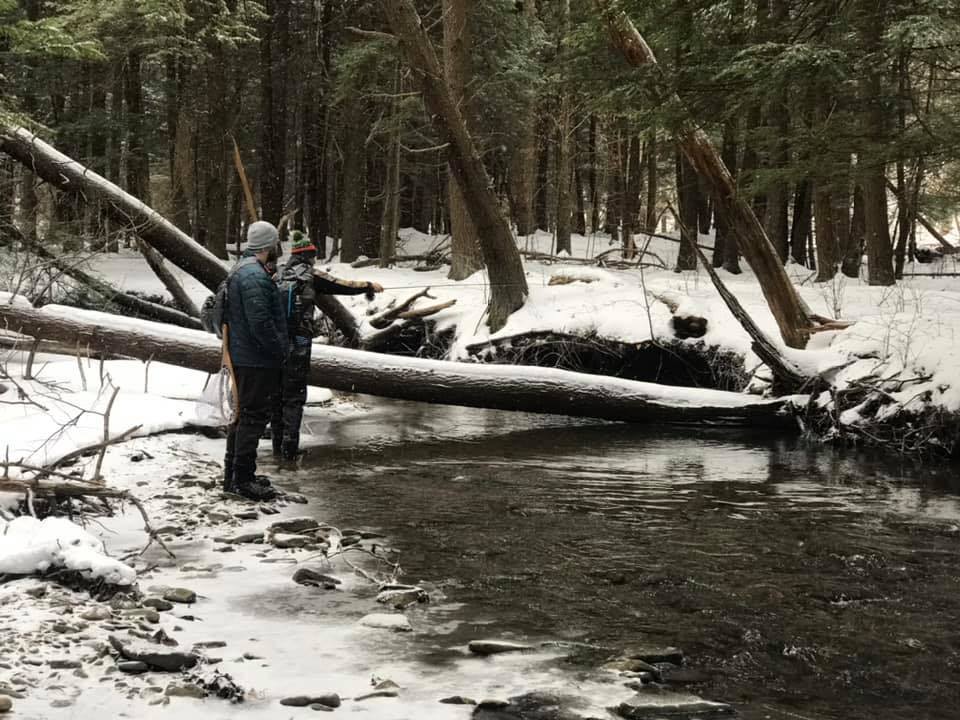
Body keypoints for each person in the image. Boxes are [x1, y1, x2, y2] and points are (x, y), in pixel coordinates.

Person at [271, 230, 383, 461]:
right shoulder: (311, 275)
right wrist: (369, 285)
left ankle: (276, 446)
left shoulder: (276, 273)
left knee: (277, 393)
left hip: (275, 340)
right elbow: (343, 285)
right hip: (300, 340)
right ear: (309, 255)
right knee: (295, 393)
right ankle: (289, 449)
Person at [223, 220, 288, 500]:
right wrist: (279, 350)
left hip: (244, 354)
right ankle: (243, 479)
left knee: (243, 415)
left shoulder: (244, 270)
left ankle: (234, 475)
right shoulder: (254, 276)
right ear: (269, 245)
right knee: (252, 416)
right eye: (276, 243)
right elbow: (260, 322)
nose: (278, 247)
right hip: (255, 358)